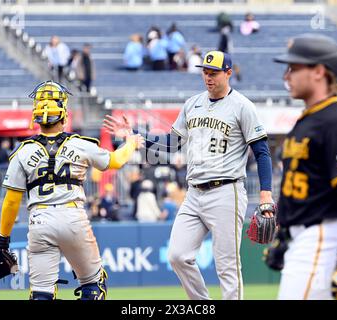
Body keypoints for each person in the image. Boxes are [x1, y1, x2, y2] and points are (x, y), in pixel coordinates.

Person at [104, 50, 274, 300]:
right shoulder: (192, 104)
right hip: (194, 194)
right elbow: (173, 142)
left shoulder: (242, 106)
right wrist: (137, 135)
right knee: (177, 255)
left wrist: (265, 195)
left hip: (226, 191)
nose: (208, 77)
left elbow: (262, 152)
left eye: (214, 73)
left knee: (227, 266)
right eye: (205, 72)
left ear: (228, 73)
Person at [0, 80, 143, 300]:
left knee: (41, 293)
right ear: (63, 113)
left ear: (36, 115)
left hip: (39, 221)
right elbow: (116, 161)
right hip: (73, 217)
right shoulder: (79, 144)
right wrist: (130, 143)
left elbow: (12, 202)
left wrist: (3, 239)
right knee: (93, 284)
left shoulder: (22, 152)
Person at [271, 34, 337, 299]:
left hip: (323, 239)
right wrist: (284, 233)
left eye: (295, 68)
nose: (287, 75)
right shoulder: (308, 120)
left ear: (319, 72)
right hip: (305, 239)